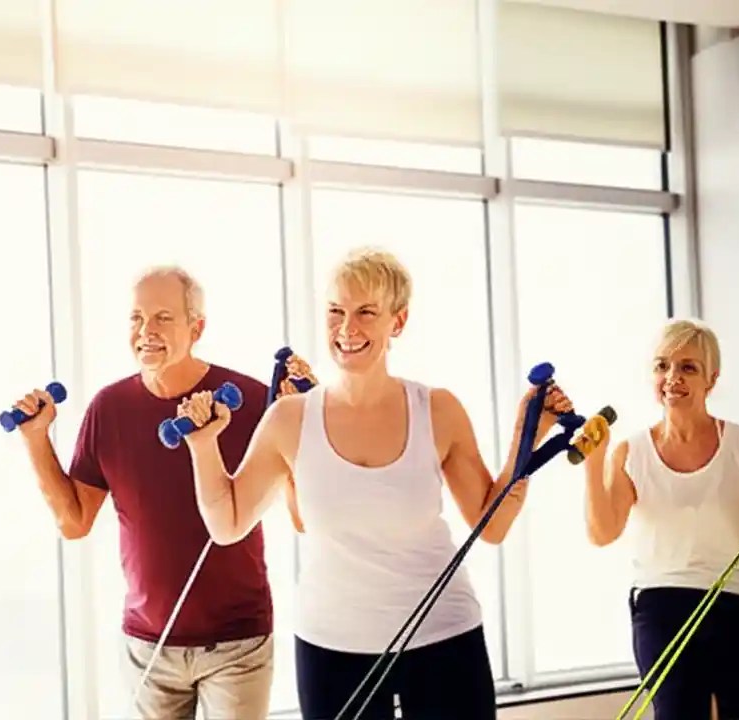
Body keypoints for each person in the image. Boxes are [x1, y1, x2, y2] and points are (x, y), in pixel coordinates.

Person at [176, 246, 577, 720]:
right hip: (333, 644)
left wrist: (526, 434)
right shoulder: (290, 418)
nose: (347, 328)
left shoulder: (438, 409)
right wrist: (203, 446)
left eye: (366, 312)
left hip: (443, 634)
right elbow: (227, 524)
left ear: (398, 322)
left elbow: (489, 524)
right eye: (335, 312)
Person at [9, 265, 275, 719]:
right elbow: (74, 522)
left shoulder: (252, 401)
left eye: (163, 318)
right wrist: (36, 439)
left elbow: (300, 498)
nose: (146, 331)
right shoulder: (109, 408)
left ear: (198, 327)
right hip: (147, 644)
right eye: (136, 318)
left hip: (237, 642)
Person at [583, 318, 739, 720]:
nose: (673, 377)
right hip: (665, 603)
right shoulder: (631, 453)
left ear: (711, 380)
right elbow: (603, 532)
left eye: (688, 367)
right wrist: (594, 462)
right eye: (662, 366)